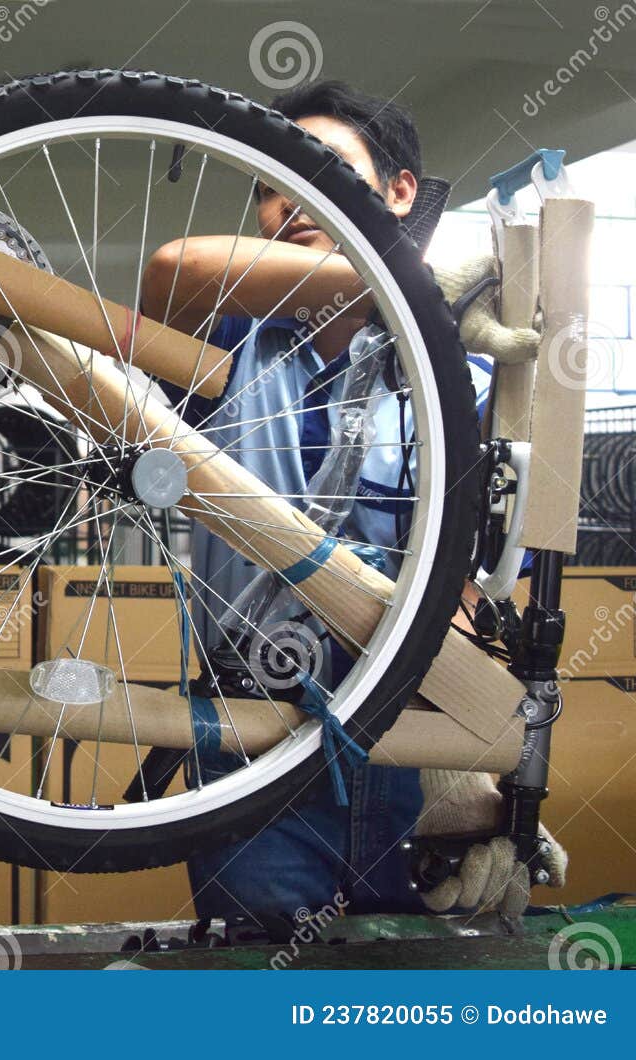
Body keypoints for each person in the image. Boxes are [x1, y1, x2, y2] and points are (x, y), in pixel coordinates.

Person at [140, 80, 562, 929]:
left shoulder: (458, 382)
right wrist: (408, 285)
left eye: (326, 169)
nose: (290, 196)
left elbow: (478, 584)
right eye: (270, 182)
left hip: (419, 760)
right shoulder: (223, 345)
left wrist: (488, 785)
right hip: (257, 750)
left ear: (400, 191)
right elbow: (172, 270)